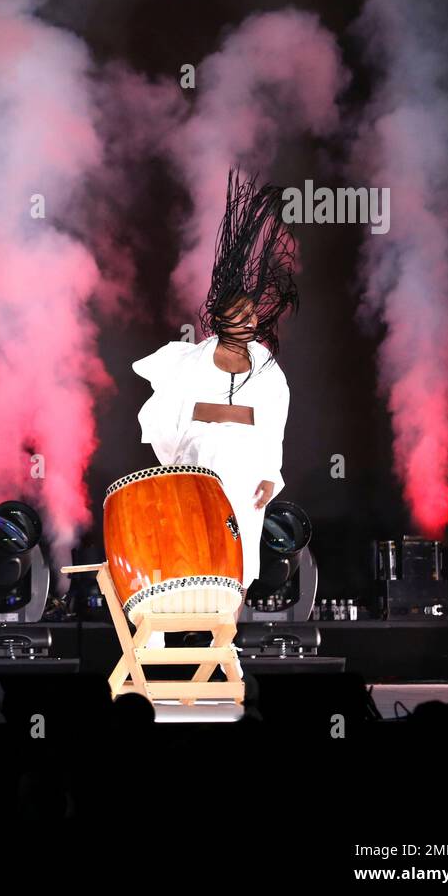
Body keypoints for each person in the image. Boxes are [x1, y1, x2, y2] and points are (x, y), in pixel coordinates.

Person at [132, 172, 296, 649]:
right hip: (201, 465)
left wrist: (271, 471)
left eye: (252, 316)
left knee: (240, 551)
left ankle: (225, 640)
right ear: (219, 317)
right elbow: (173, 414)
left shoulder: (263, 363)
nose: (248, 322)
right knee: (194, 544)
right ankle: (175, 631)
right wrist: (182, 457)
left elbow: (274, 421)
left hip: (245, 470)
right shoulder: (193, 358)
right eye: (238, 316)